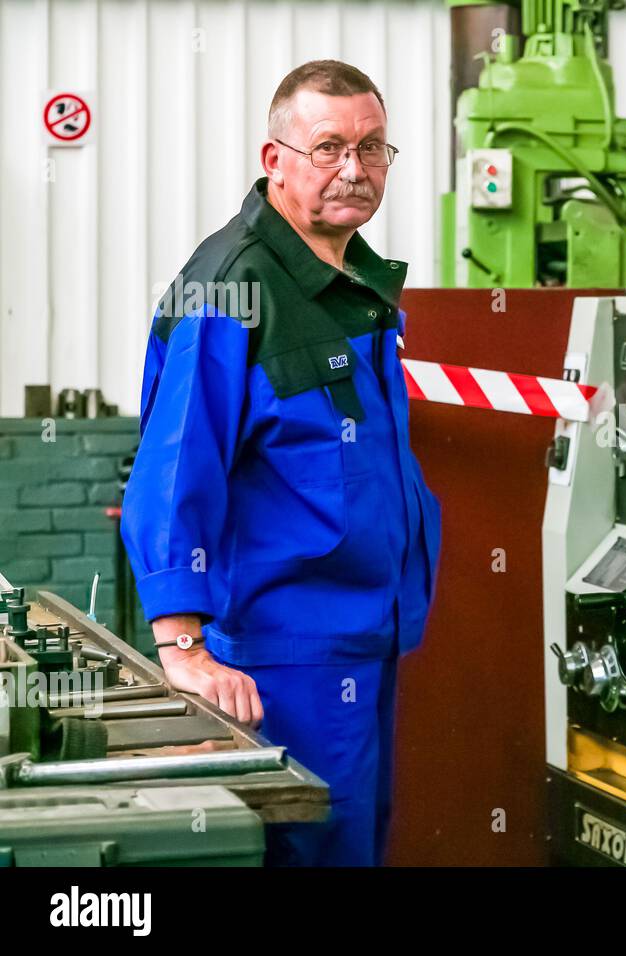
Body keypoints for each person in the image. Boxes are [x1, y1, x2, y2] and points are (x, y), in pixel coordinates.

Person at [121, 59, 440, 866]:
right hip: (280, 654)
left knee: (356, 844)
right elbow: (172, 469)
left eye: (372, 149)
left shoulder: (352, 281)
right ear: (275, 160)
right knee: (312, 851)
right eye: (328, 146)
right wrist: (183, 647)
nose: (352, 169)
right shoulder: (232, 288)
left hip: (366, 638)